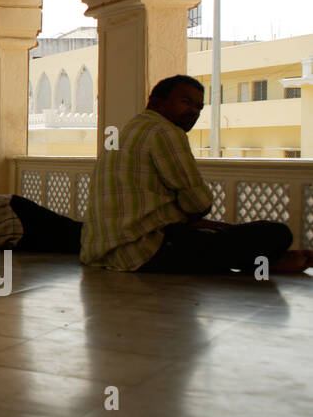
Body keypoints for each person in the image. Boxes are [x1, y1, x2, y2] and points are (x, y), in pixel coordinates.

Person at [85, 74, 311, 273]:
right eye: (185, 102)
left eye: (199, 107)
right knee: (275, 233)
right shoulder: (165, 132)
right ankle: (271, 260)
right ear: (156, 102)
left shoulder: (130, 129)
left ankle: (265, 261)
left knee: (222, 234)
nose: (193, 111)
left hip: (104, 251)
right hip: (145, 252)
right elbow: (198, 204)